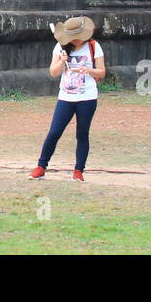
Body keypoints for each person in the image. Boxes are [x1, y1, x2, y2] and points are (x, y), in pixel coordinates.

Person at [29, 16, 104, 181]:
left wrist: (88, 70)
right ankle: (41, 166)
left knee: (82, 134)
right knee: (54, 132)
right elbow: (53, 72)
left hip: (87, 97)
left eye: (78, 37)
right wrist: (62, 62)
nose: (76, 41)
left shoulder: (94, 46)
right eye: (72, 38)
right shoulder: (60, 47)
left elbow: (102, 72)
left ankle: (78, 171)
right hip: (66, 97)